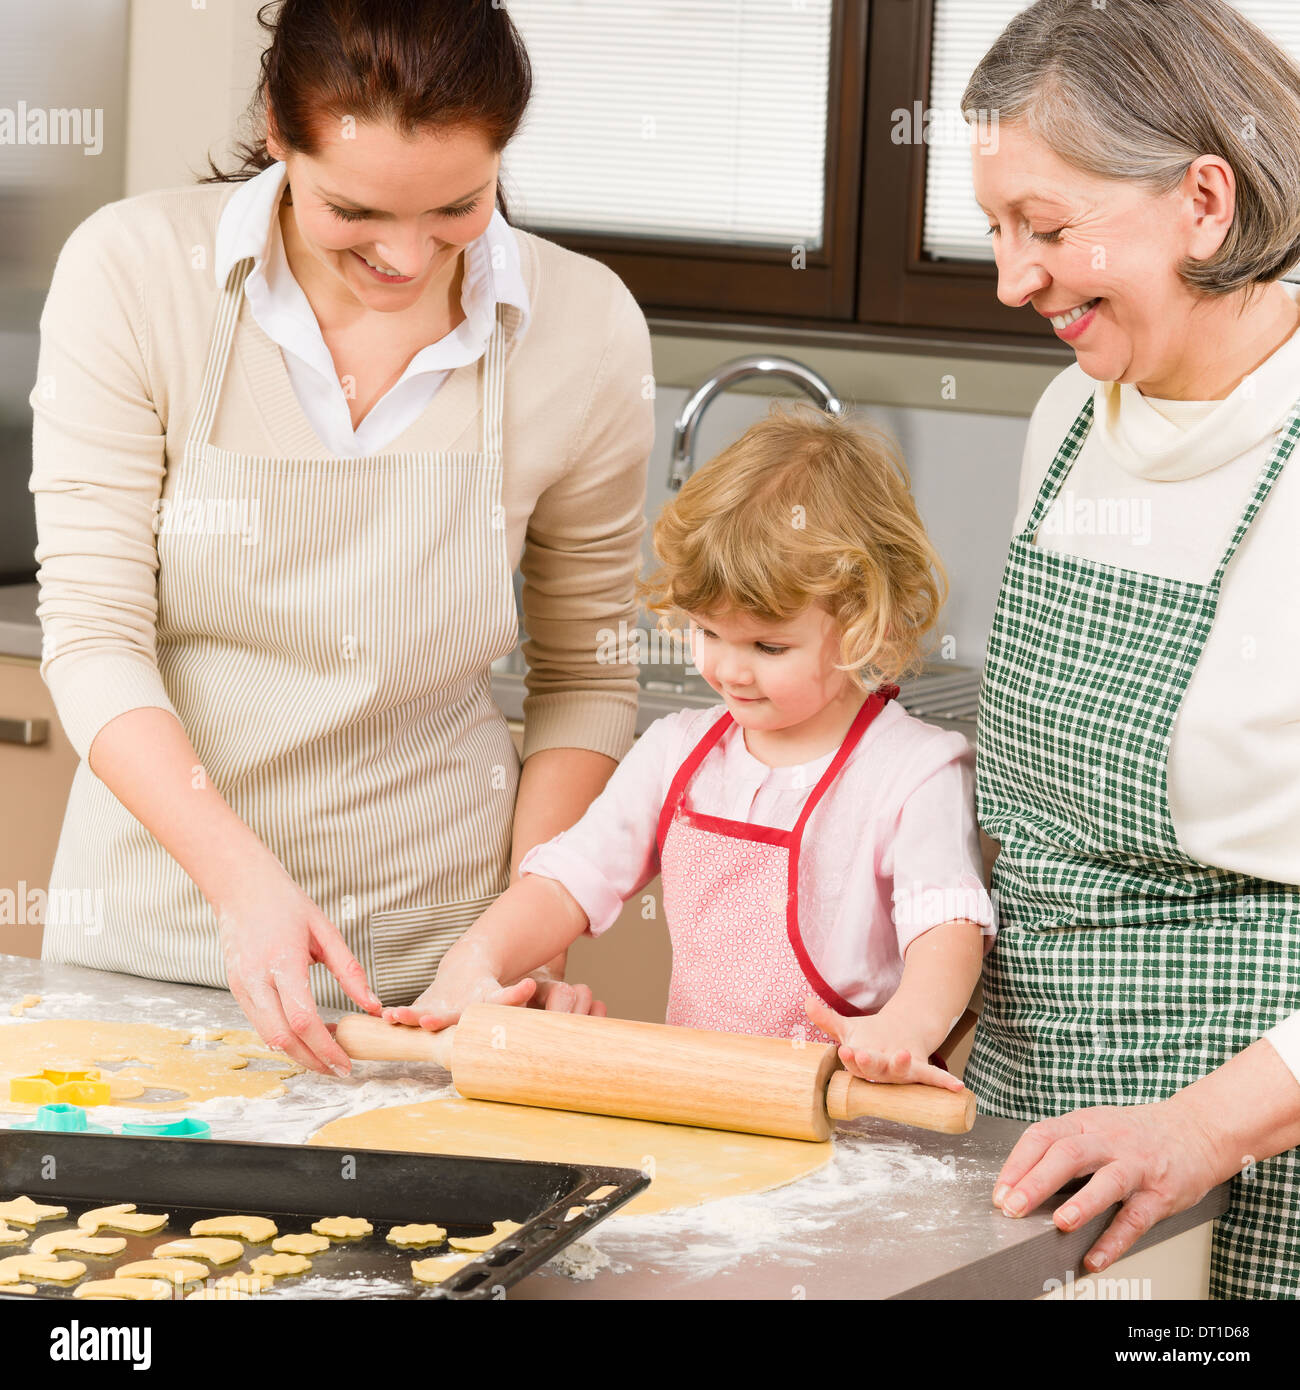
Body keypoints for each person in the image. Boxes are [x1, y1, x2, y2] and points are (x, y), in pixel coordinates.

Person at [28, 0, 652, 1076]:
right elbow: (93, 638)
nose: (407, 257)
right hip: (149, 954)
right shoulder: (136, 274)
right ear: (277, 130)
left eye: (458, 206)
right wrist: (242, 885)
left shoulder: (584, 326)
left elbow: (587, 674)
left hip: (434, 985)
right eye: (355, 211)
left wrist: (508, 938)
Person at [963, 0, 1300, 1297]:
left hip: (1254, 1160)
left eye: (1046, 230)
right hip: (1030, 1137)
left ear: (1204, 202)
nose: (1011, 280)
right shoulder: (1065, 419)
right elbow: (1039, 832)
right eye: (995, 231)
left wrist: (1199, 1129)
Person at [387, 403, 992, 1089]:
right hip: (705, 1099)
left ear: (865, 624)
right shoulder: (679, 752)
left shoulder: (913, 771)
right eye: (709, 633)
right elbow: (568, 882)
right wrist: (474, 960)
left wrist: (906, 1029)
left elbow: (946, 925)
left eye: (767, 645)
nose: (729, 670)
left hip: (856, 1116)